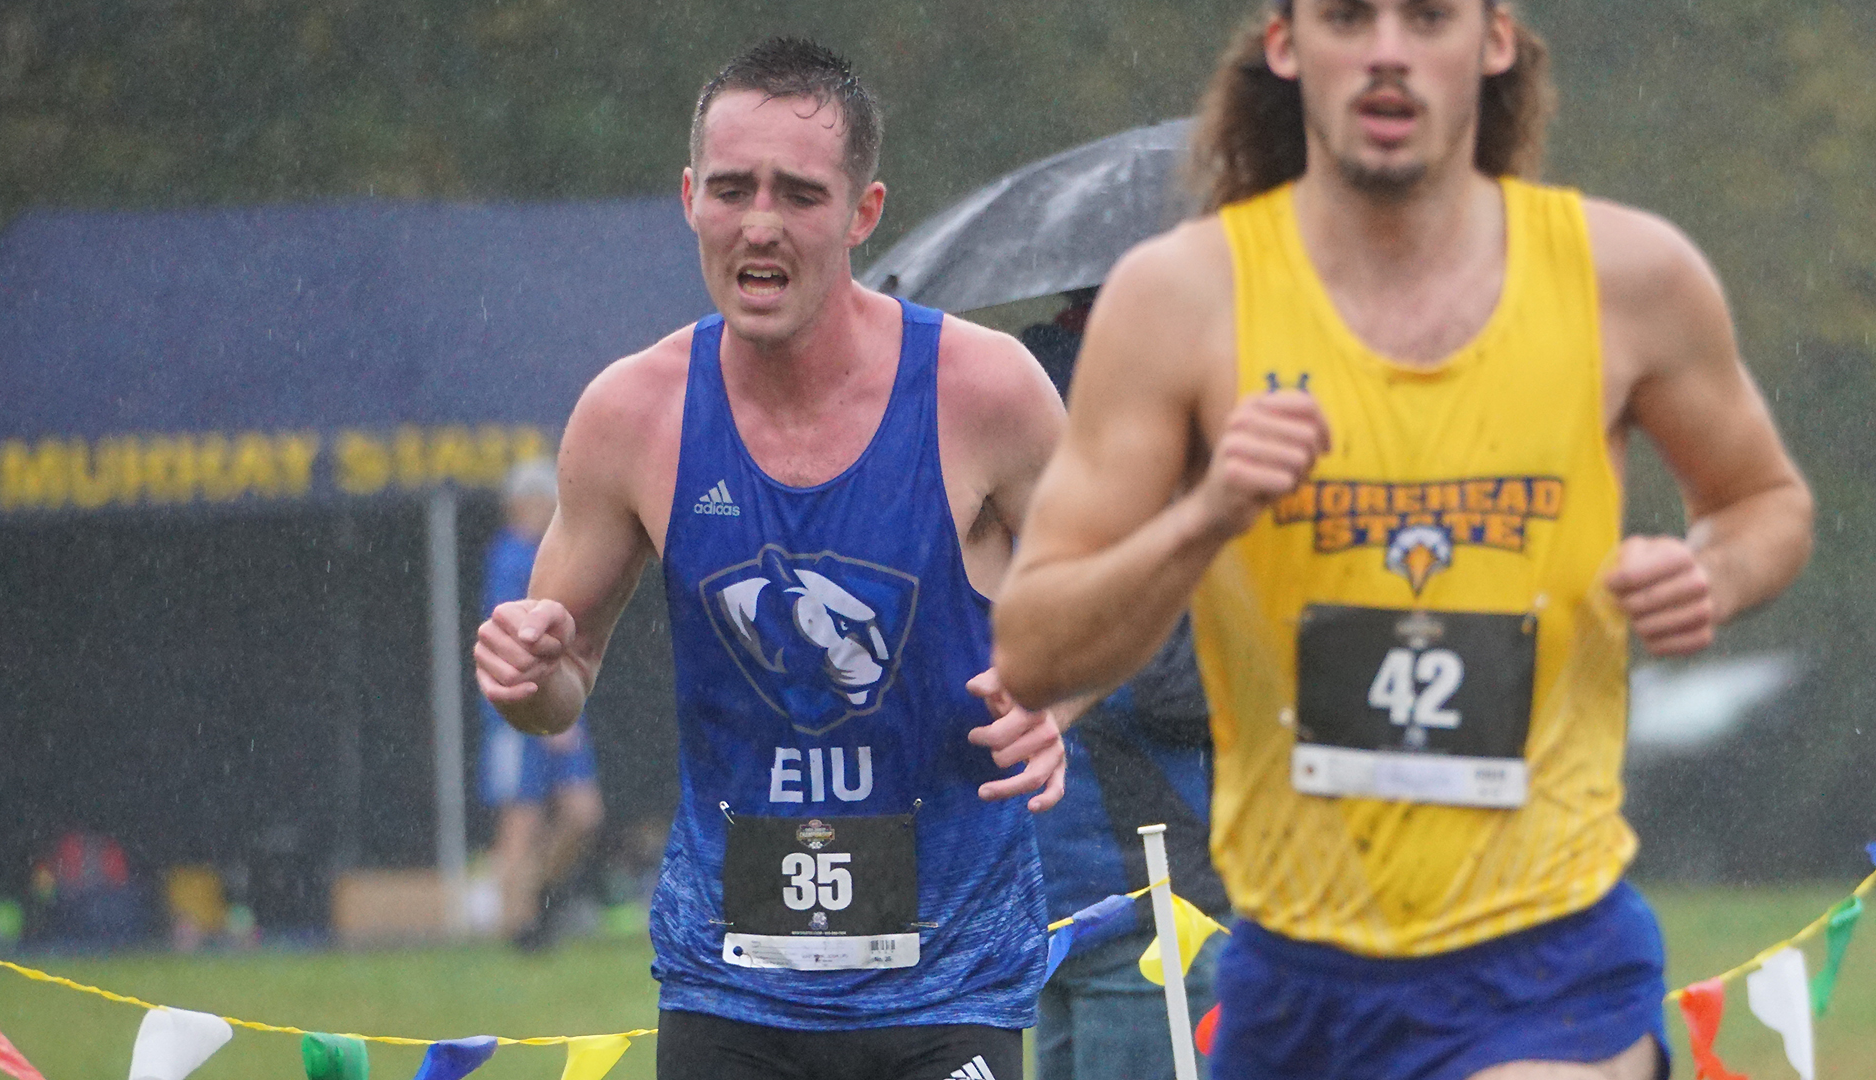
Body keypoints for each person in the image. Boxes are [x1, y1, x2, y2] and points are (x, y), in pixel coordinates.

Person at [991, 3, 1814, 1079]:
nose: (1387, 48)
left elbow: (1767, 502)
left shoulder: (1625, 278)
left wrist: (1709, 572)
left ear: (1496, 40)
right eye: (1348, 17)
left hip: (1547, 950)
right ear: (1287, 45)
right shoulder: (1181, 301)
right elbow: (1038, 649)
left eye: (1428, 17)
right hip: (1295, 969)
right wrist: (1204, 516)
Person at [472, 38, 1072, 1080]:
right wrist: (527, 672)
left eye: (799, 194)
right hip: (730, 978)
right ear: (690, 198)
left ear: (862, 212)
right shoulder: (633, 414)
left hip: (950, 976)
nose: (761, 223)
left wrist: (1062, 699)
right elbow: (560, 686)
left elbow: (1111, 596)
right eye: (735, 189)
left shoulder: (986, 388)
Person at [1019, 301, 1228, 1080]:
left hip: (1040, 882)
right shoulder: (1172, 409)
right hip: (1148, 886)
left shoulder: (1000, 387)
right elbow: (1185, 691)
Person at [479, 458, 604, 950]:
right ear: (518, 504)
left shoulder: (545, 554)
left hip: (555, 700)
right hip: (514, 708)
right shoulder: (511, 558)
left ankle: (537, 900)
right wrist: (545, 709)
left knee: (581, 813)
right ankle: (519, 928)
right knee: (520, 818)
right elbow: (519, 640)